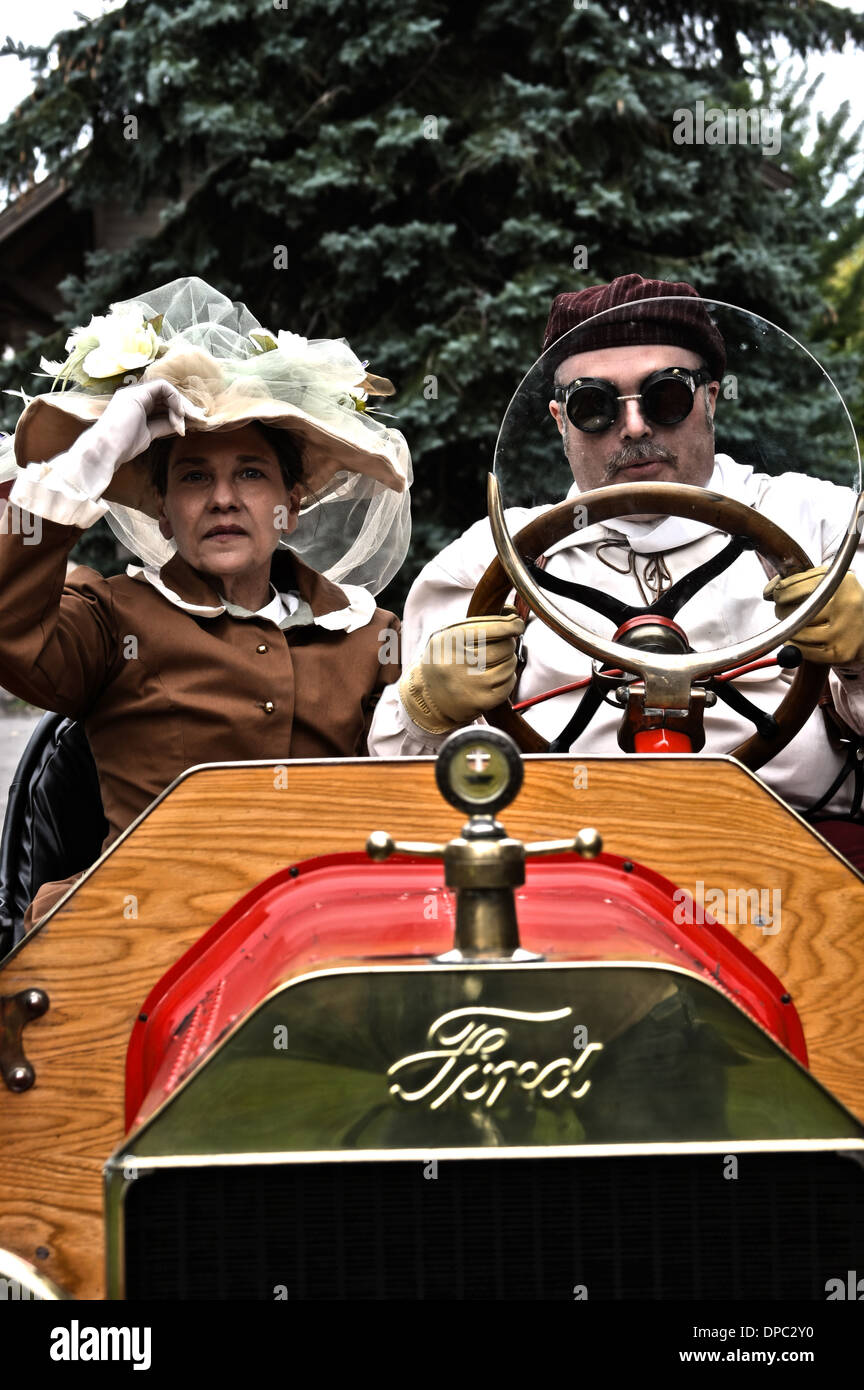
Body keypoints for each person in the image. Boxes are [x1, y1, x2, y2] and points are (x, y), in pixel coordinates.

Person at [369, 273, 864, 828]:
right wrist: (427, 710)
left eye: (666, 396)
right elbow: (403, 789)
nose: (633, 426)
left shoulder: (822, 525)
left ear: (711, 399)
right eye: (594, 405)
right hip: (566, 849)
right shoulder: (491, 557)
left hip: (798, 837)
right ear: (561, 421)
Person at [0, 277, 411, 928]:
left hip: (328, 941)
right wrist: (94, 458)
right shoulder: (110, 616)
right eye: (194, 477)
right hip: (148, 940)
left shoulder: (370, 634)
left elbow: (418, 802)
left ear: (290, 504)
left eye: (251, 472)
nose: (223, 499)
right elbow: (9, 629)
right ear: (163, 511)